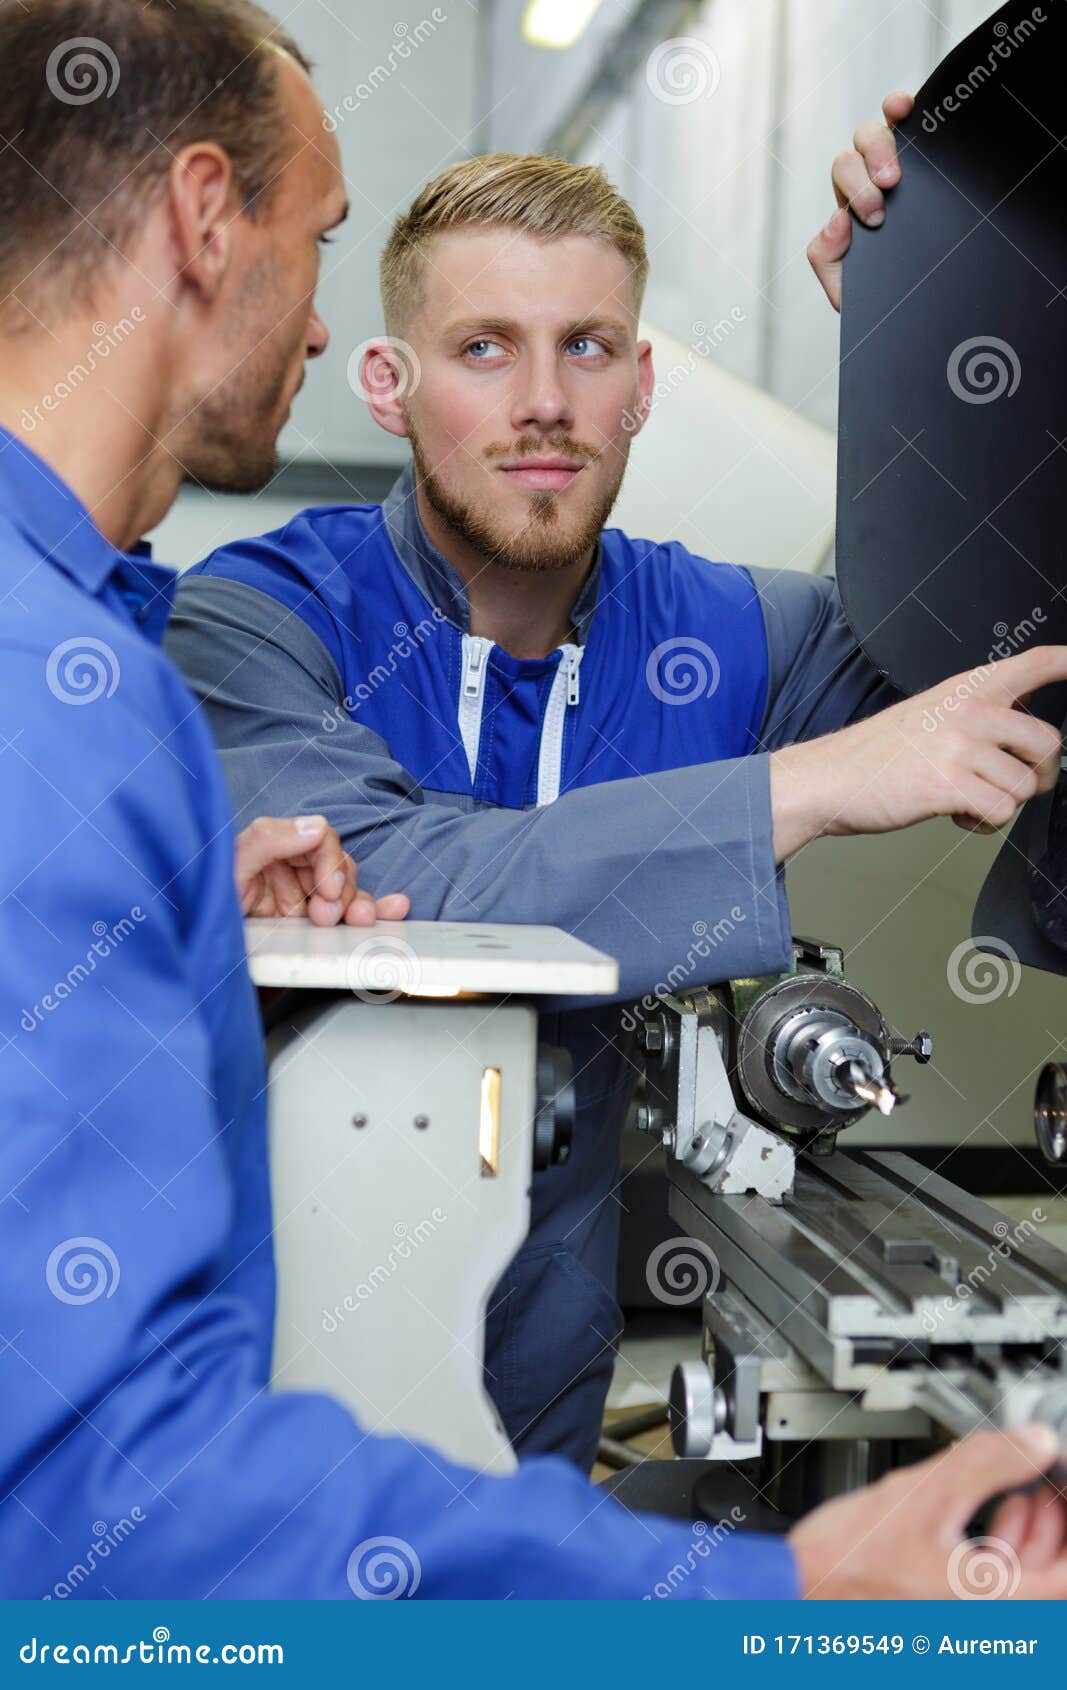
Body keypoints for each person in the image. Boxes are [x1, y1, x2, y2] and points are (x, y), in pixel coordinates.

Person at [3, 0, 1067, 1603]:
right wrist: (813, 785)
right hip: (302, 1463)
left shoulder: (731, 632)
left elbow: (1008, 673)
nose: (544, 402)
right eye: (483, 347)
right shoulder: (221, 633)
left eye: (587, 350)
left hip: (531, 1459)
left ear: (645, 384)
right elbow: (427, 873)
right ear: (386, 377)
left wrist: (950, 339)